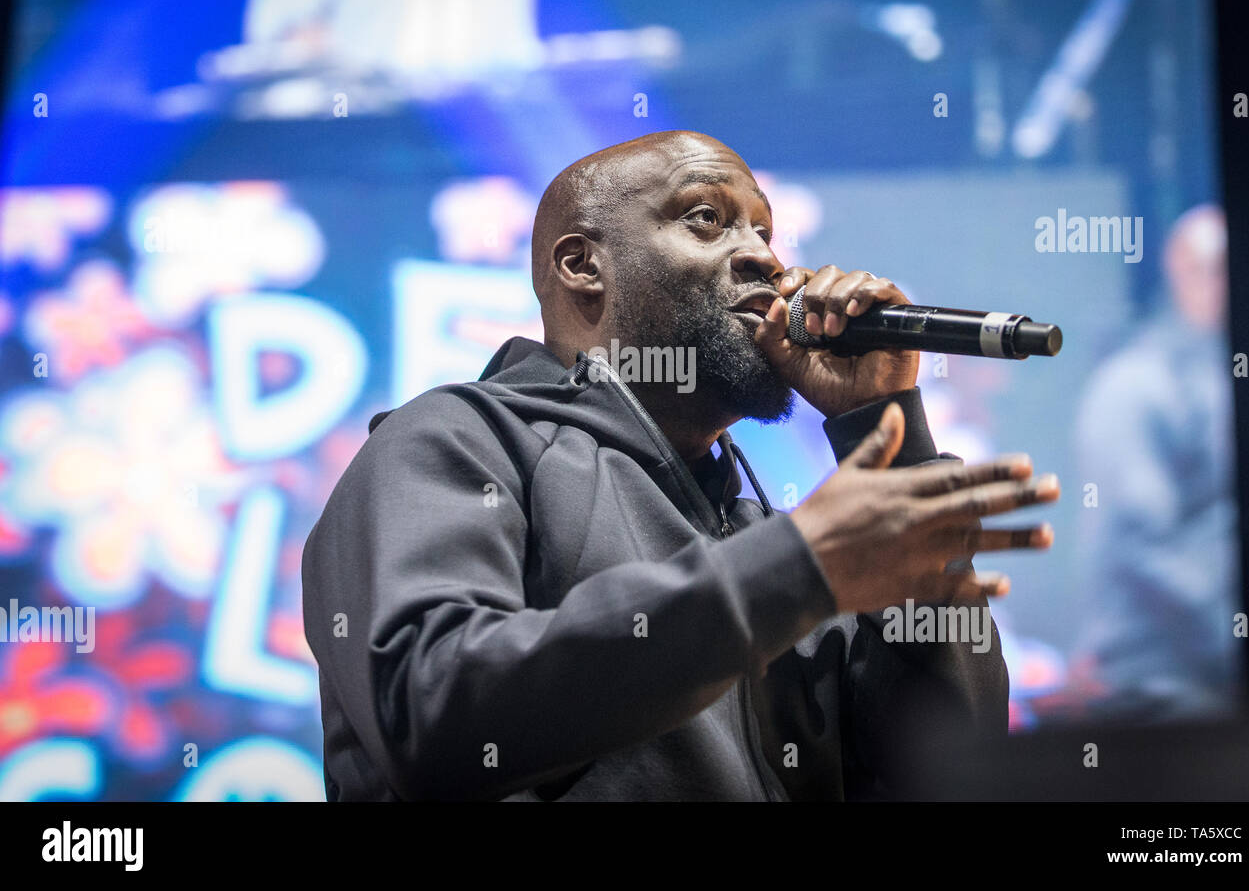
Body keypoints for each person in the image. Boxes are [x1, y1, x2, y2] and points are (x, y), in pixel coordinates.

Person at [300, 130, 1060, 800]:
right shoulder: (454, 439)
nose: (764, 257)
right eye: (709, 218)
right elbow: (426, 712)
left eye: (766, 230)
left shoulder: (757, 527)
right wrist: (791, 571)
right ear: (581, 265)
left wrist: (884, 429)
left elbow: (938, 769)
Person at [1070, 204, 1239, 723]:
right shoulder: (1135, 384)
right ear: (1179, 269)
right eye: (1210, 269)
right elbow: (1141, 545)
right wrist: (1233, 640)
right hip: (1162, 691)